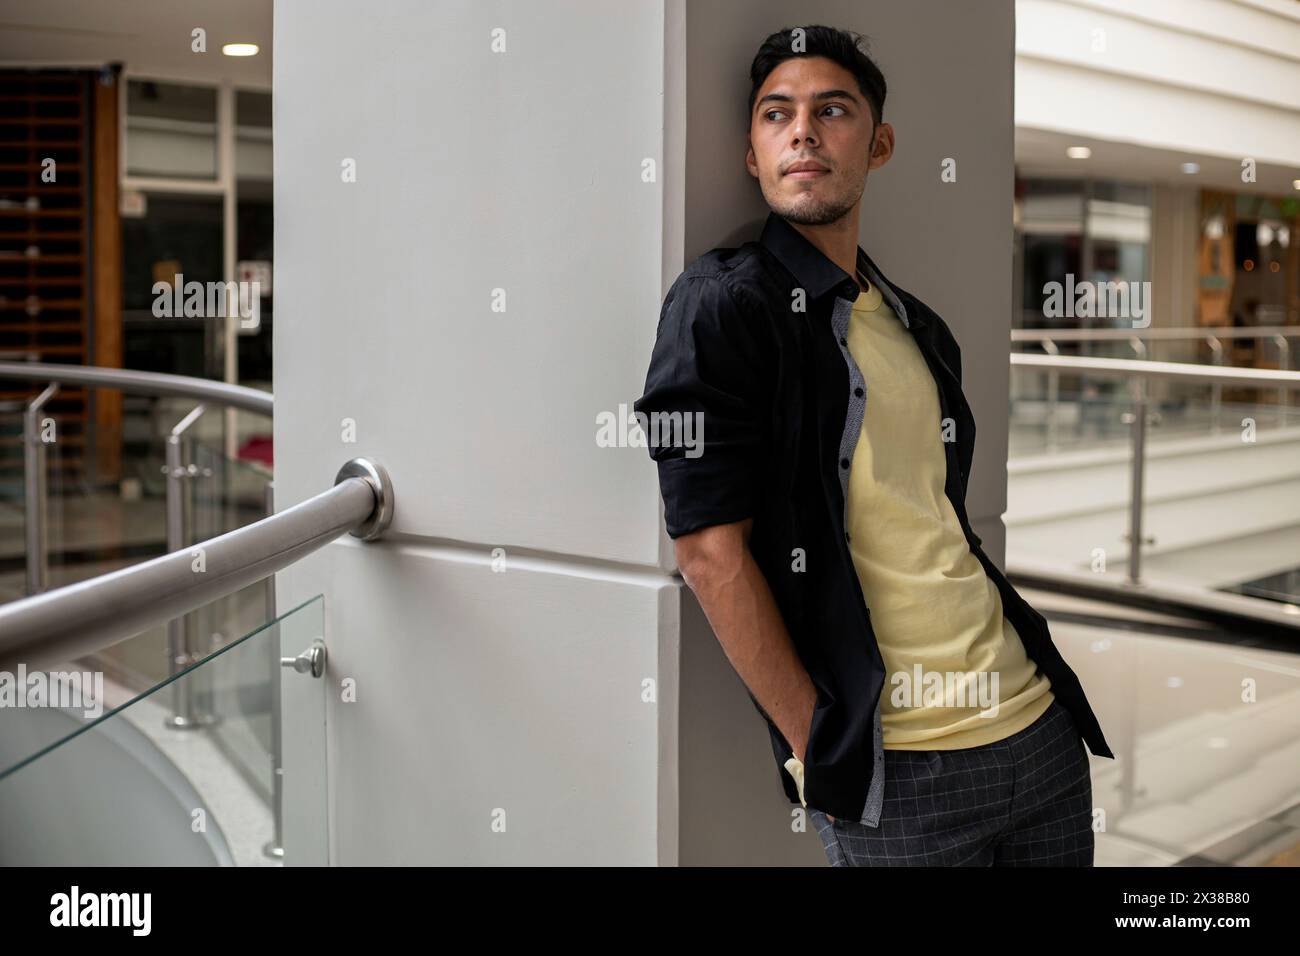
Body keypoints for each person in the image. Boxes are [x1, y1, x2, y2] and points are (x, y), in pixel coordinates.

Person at [634, 24, 1113, 866]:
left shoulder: (912, 320)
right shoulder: (721, 304)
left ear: (879, 143)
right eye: (775, 115)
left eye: (833, 110)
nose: (803, 132)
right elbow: (709, 552)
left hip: (1037, 730)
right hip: (902, 772)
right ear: (752, 154)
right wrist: (822, 749)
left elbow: (933, 521)